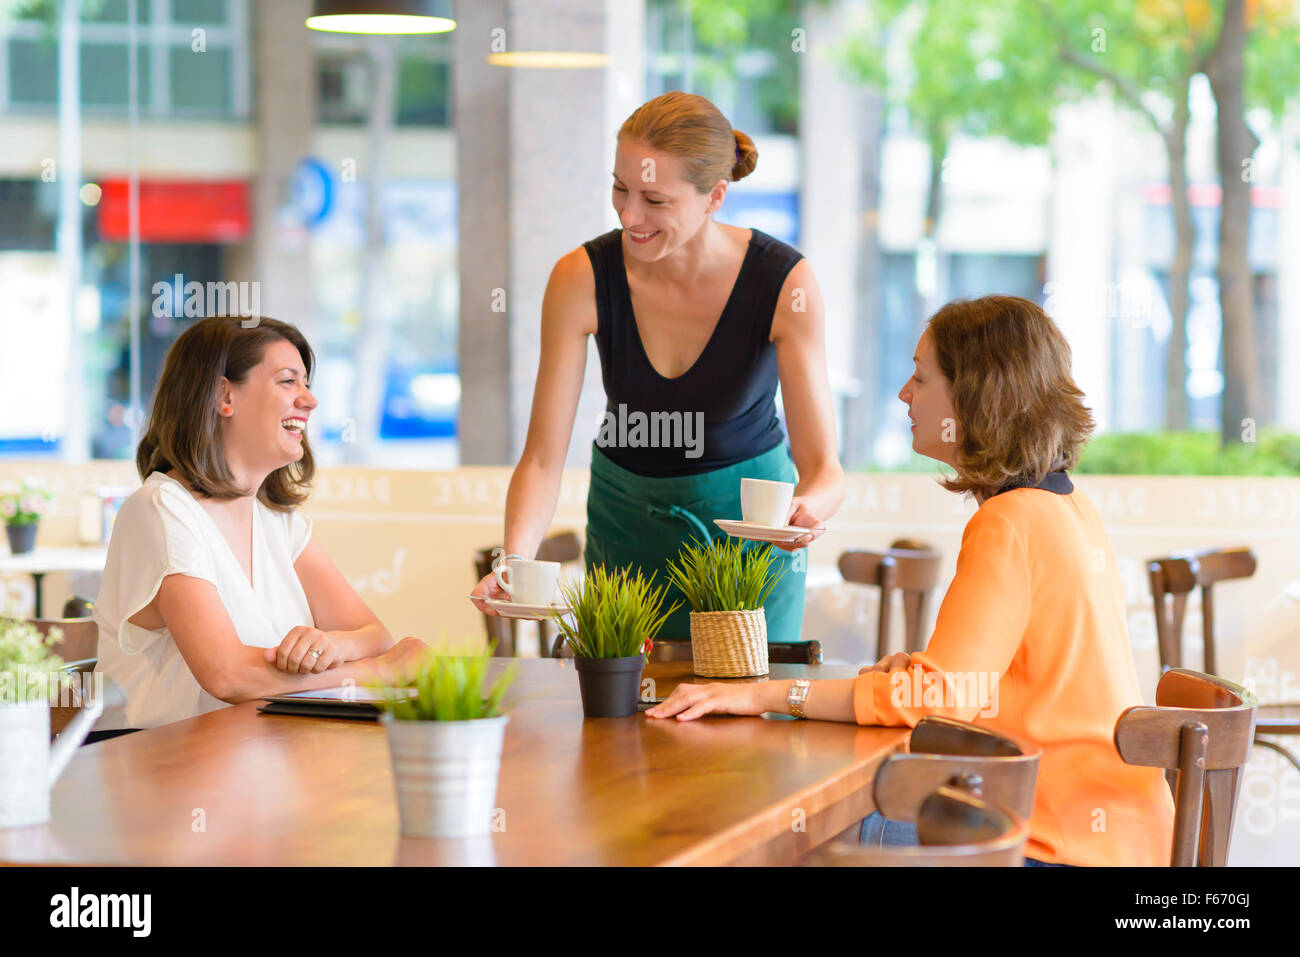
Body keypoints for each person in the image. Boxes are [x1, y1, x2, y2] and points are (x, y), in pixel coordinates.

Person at [647, 295, 1177, 867]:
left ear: (978, 396)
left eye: (922, 379)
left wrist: (764, 695)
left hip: (1050, 842)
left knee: (806, 836)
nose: (904, 393)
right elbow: (991, 686)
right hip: (1116, 835)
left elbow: (937, 702)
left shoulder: (1010, 521)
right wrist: (924, 672)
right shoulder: (1066, 507)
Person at [470, 91, 845, 643]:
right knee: (619, 715)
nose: (628, 215)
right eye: (619, 188)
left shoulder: (784, 282)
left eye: (654, 199)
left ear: (715, 196)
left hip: (750, 545)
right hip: (625, 529)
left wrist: (804, 512)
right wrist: (514, 561)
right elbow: (544, 457)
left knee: (742, 718)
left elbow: (824, 469)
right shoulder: (580, 277)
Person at [94, 316, 429, 731]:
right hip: (158, 769)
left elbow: (376, 637)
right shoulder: (161, 509)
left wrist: (331, 644)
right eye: (288, 381)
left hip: (250, 760)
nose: (309, 400)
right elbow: (227, 674)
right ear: (224, 396)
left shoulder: (279, 520)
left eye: (306, 383)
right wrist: (378, 673)